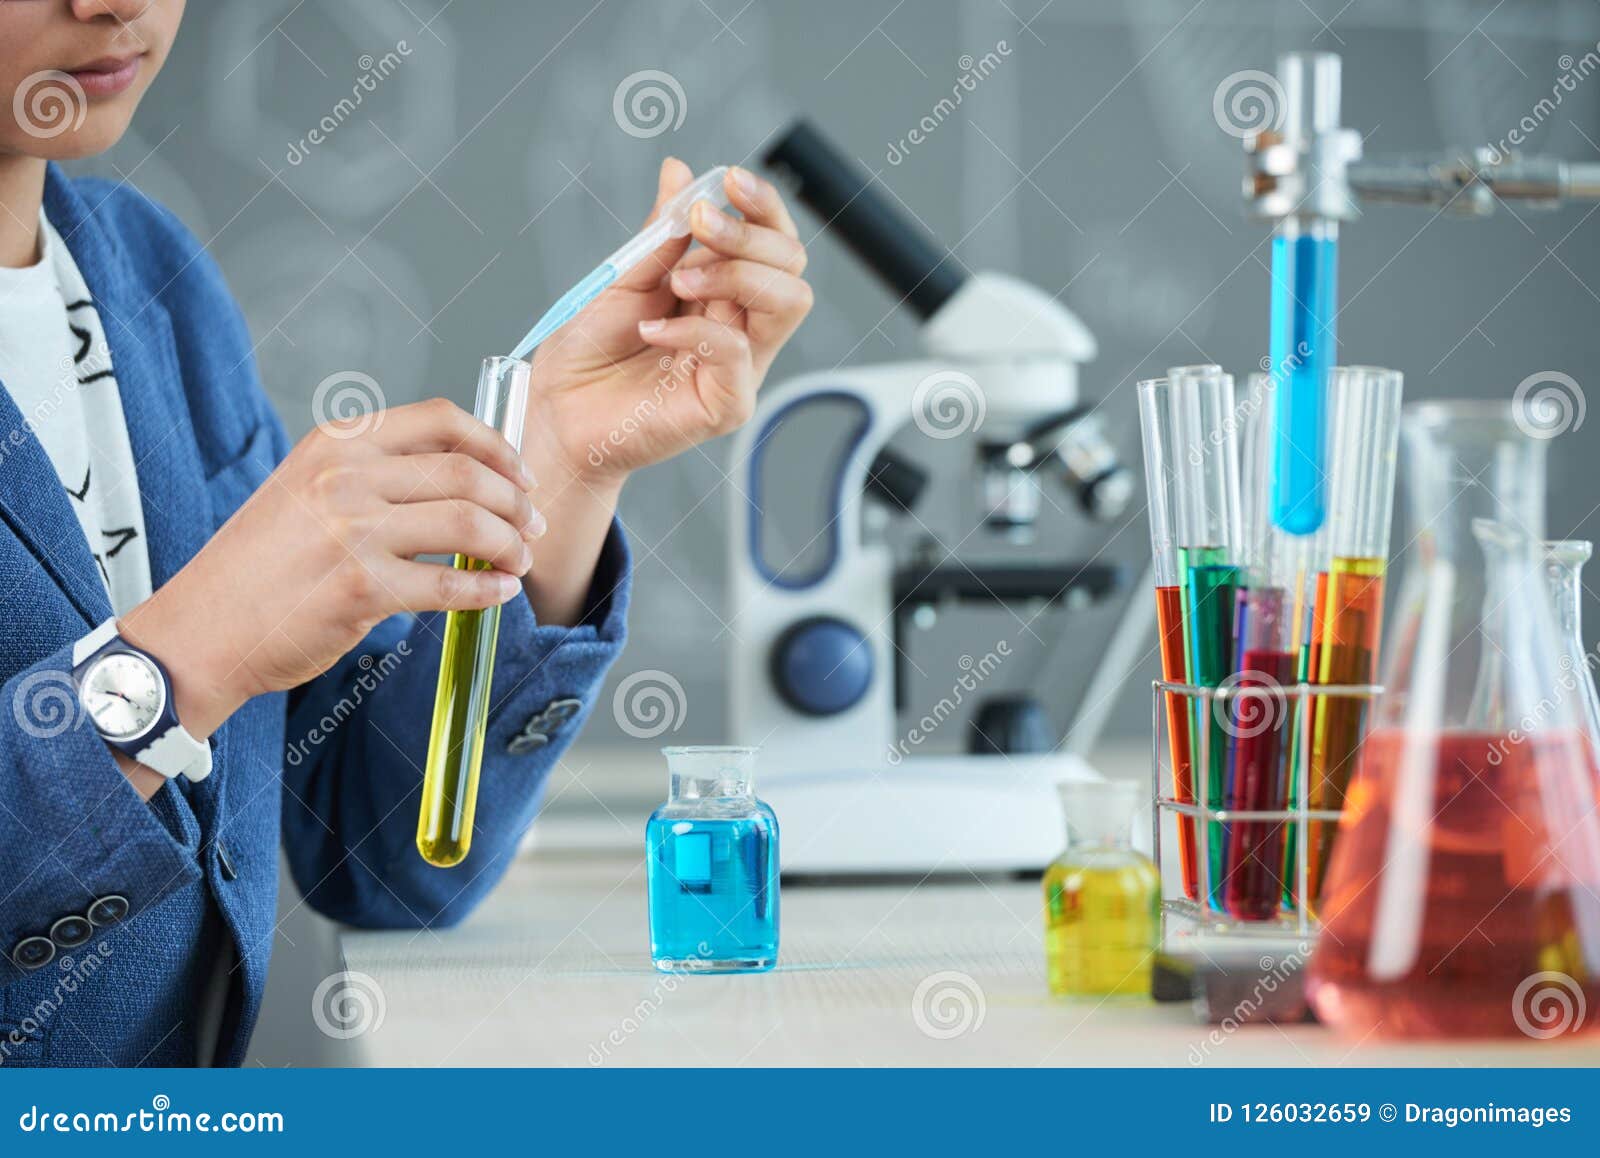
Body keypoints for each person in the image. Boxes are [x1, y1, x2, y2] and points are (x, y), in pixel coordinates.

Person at [0, 0, 812, 1066]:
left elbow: (382, 855)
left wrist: (565, 462)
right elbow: (200, 664)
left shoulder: (152, 279)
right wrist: (184, 659)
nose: (115, 3)